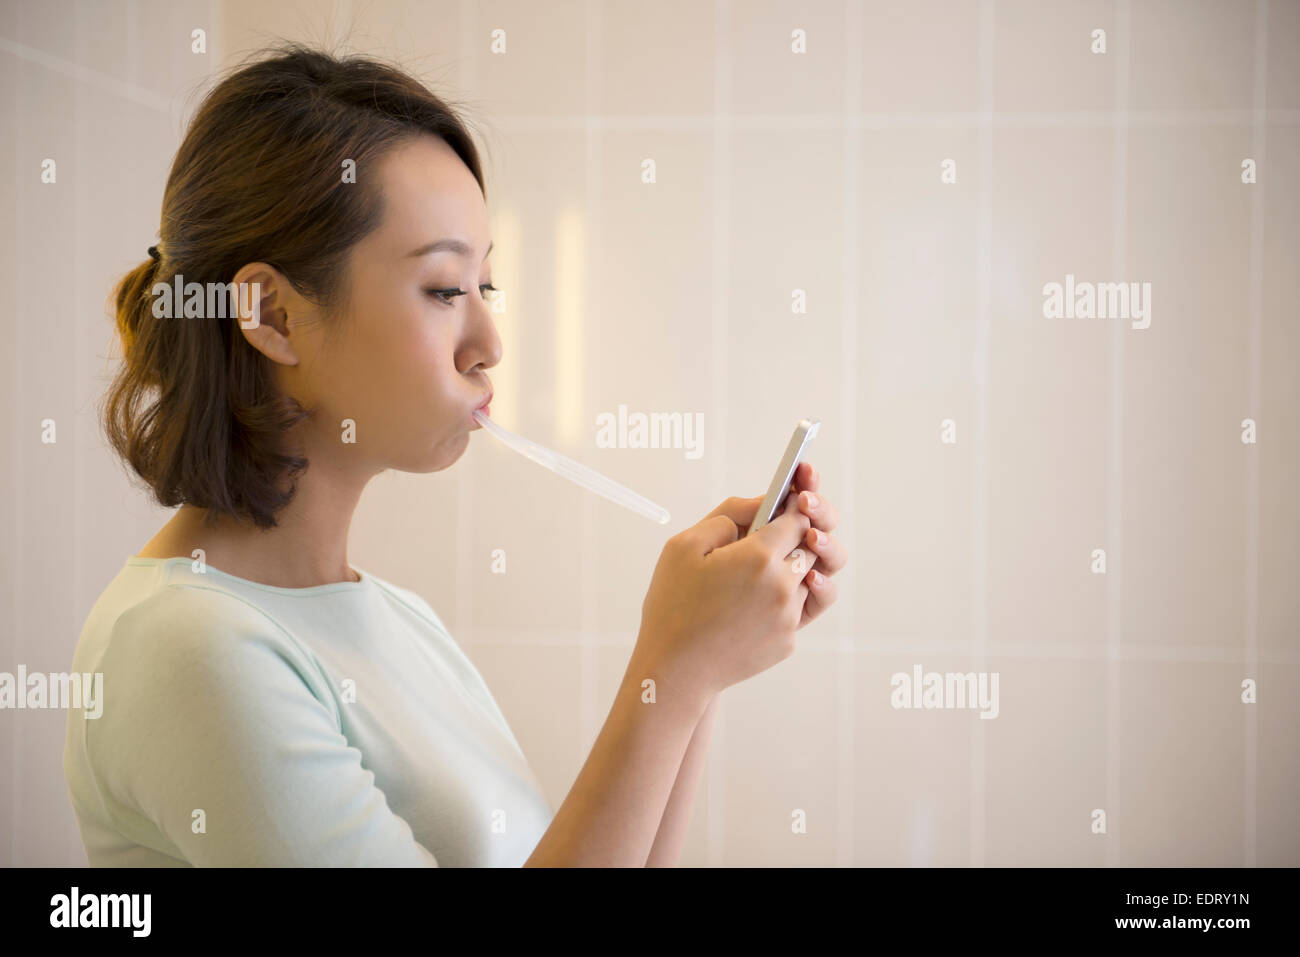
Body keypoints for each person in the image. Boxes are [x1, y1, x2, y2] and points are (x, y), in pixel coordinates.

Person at [63, 41, 847, 867]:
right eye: (444, 289)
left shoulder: (397, 619)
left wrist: (701, 668)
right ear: (272, 316)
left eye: (487, 287)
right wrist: (675, 668)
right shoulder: (189, 648)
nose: (489, 342)